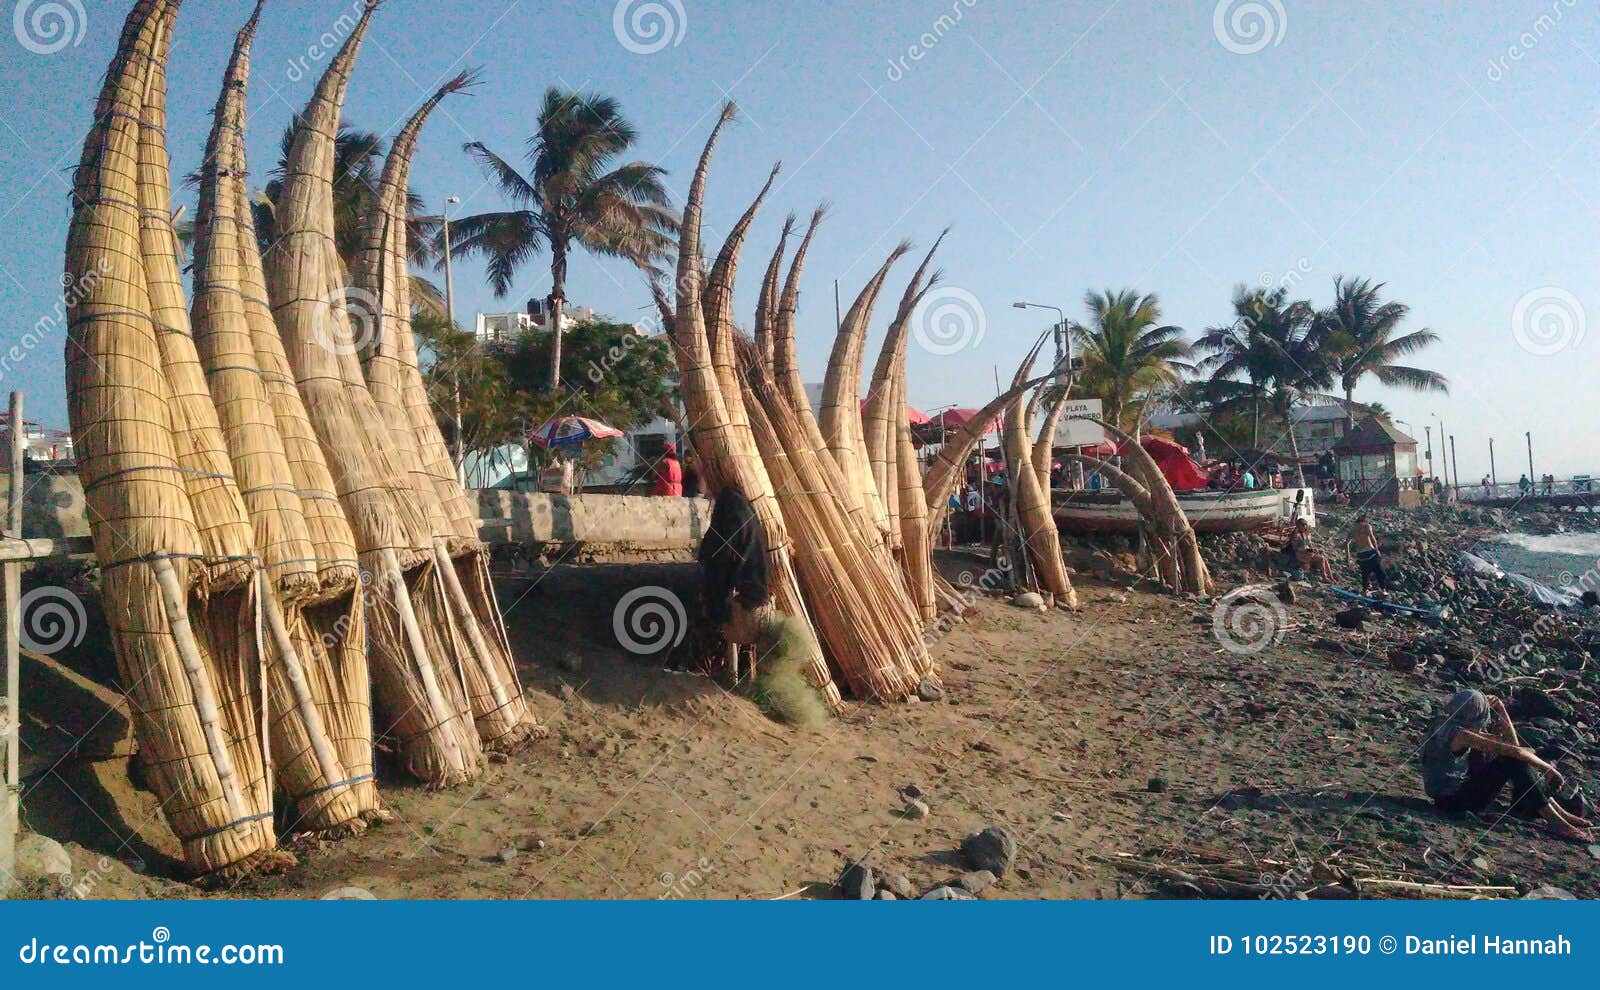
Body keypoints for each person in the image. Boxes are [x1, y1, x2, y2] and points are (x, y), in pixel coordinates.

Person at [1421, 689, 1592, 843]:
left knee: (1514, 756)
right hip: (1453, 803)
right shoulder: (1461, 734)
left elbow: (1514, 745)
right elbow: (1515, 753)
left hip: (1457, 794)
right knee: (1511, 759)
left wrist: (1502, 710)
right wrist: (1547, 768)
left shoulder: (1447, 724)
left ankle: (1552, 810)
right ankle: (1555, 821)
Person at [697, 477, 772, 639]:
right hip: (750, 591)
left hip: (744, 597)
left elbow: (722, 555)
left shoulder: (731, 507)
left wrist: (716, 606)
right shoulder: (736, 505)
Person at [1351, 513, 1387, 596]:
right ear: (1365, 520)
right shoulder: (1367, 526)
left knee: (1365, 574)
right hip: (1370, 552)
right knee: (1380, 572)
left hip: (1360, 555)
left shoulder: (1352, 529)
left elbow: (1346, 543)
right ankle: (1383, 589)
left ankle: (1365, 590)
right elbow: (1372, 538)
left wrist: (1348, 556)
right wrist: (1377, 550)